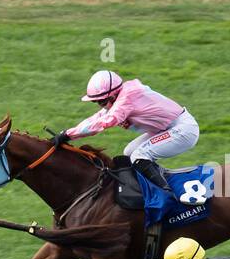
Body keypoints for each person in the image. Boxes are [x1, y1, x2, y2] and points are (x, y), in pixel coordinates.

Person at [50, 70, 199, 197]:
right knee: (129, 152)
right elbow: (97, 117)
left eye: (100, 102)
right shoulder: (120, 96)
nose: (99, 105)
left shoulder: (127, 98)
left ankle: (168, 194)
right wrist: (66, 133)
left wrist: (69, 135)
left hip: (183, 129)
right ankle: (147, 188)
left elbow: (105, 122)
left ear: (112, 96)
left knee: (139, 156)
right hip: (167, 129)